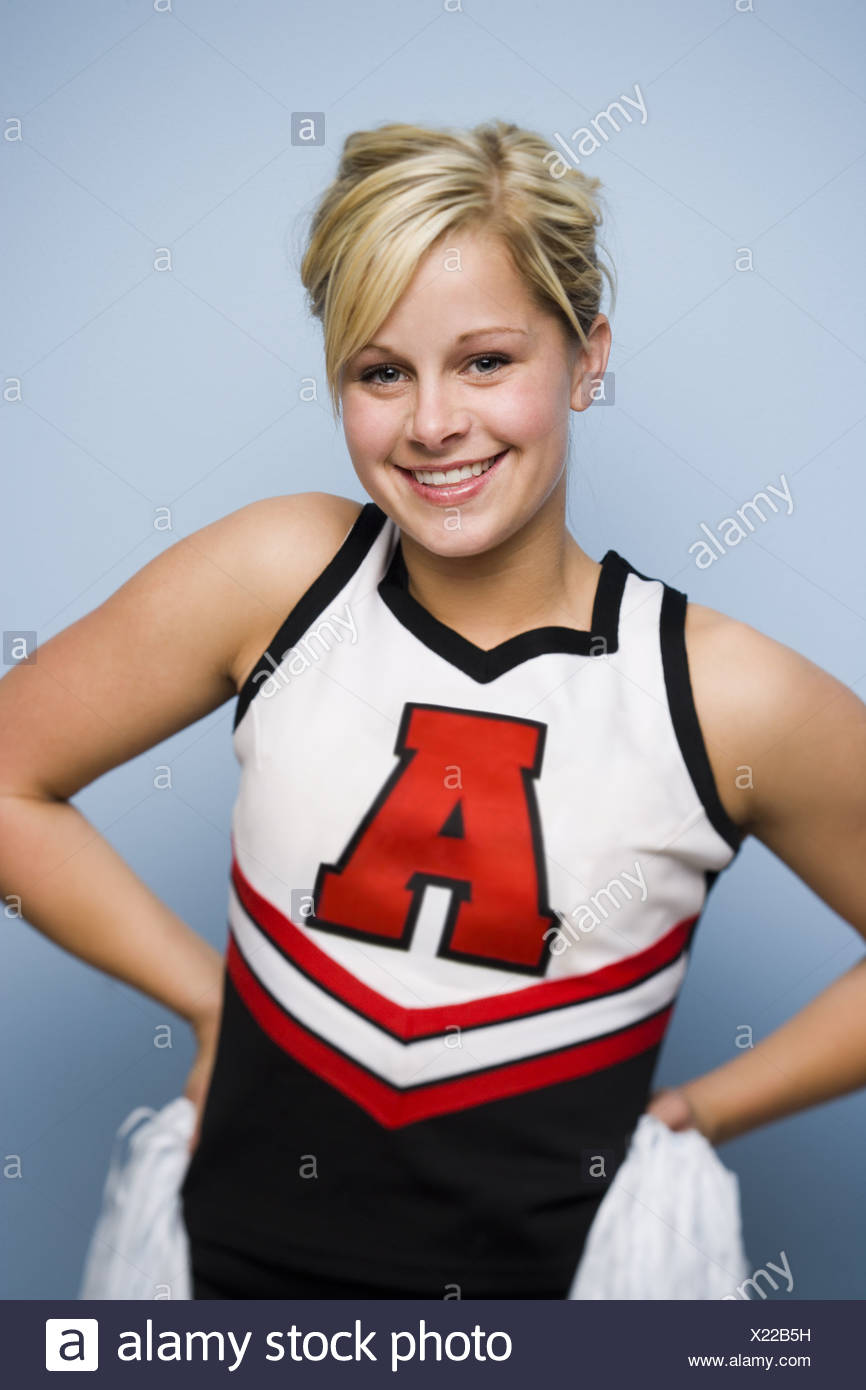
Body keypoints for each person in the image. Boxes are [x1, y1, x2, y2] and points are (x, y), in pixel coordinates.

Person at [1, 119, 864, 1301]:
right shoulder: (278, 575)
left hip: (557, 1308)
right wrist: (214, 1004)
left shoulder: (719, 689)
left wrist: (695, 1115)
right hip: (223, 1285)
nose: (432, 424)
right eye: (380, 371)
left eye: (486, 361)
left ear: (586, 357)